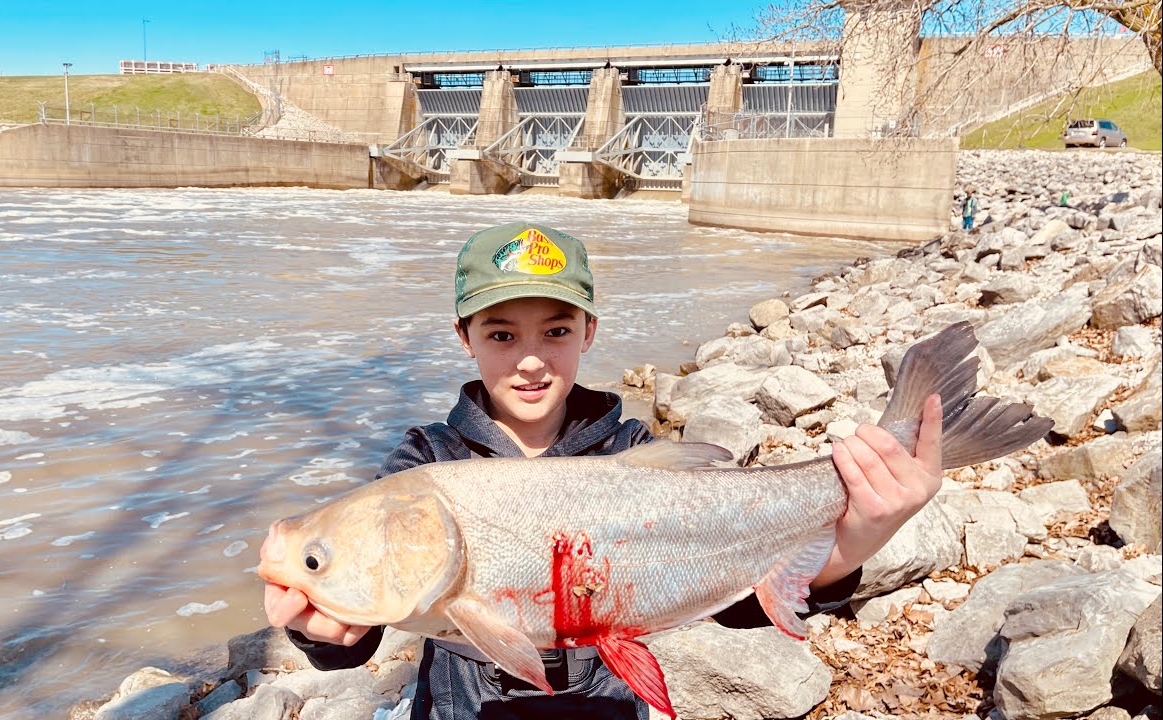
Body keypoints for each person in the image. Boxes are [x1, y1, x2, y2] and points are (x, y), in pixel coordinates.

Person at [262, 222, 945, 720]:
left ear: (589, 331)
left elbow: (735, 601)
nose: (531, 359)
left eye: (556, 331)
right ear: (463, 337)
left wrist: (853, 543)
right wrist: (318, 628)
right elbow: (356, 636)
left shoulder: (630, 447)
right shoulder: (424, 462)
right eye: (501, 334)